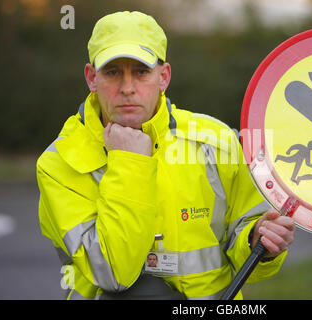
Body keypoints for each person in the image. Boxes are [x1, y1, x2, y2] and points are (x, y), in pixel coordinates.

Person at [36, 11, 295, 300]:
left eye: (141, 71)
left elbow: (249, 246)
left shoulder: (217, 141)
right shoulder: (59, 162)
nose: (127, 87)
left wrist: (256, 239)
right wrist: (130, 162)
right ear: (91, 78)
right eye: (112, 72)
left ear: (164, 76)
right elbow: (113, 274)